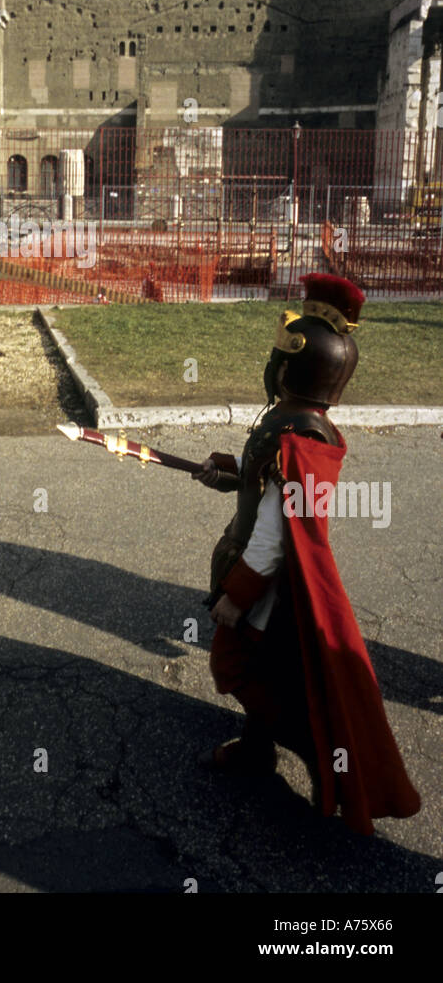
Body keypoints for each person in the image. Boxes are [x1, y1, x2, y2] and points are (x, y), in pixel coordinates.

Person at [193, 273, 421, 835]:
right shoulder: (288, 420)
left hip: (269, 586)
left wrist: (237, 596)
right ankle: (256, 749)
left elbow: (276, 528)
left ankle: (323, 766)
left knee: (247, 670)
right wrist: (227, 471)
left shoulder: (305, 437)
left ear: (292, 368)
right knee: (273, 671)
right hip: (255, 570)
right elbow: (262, 485)